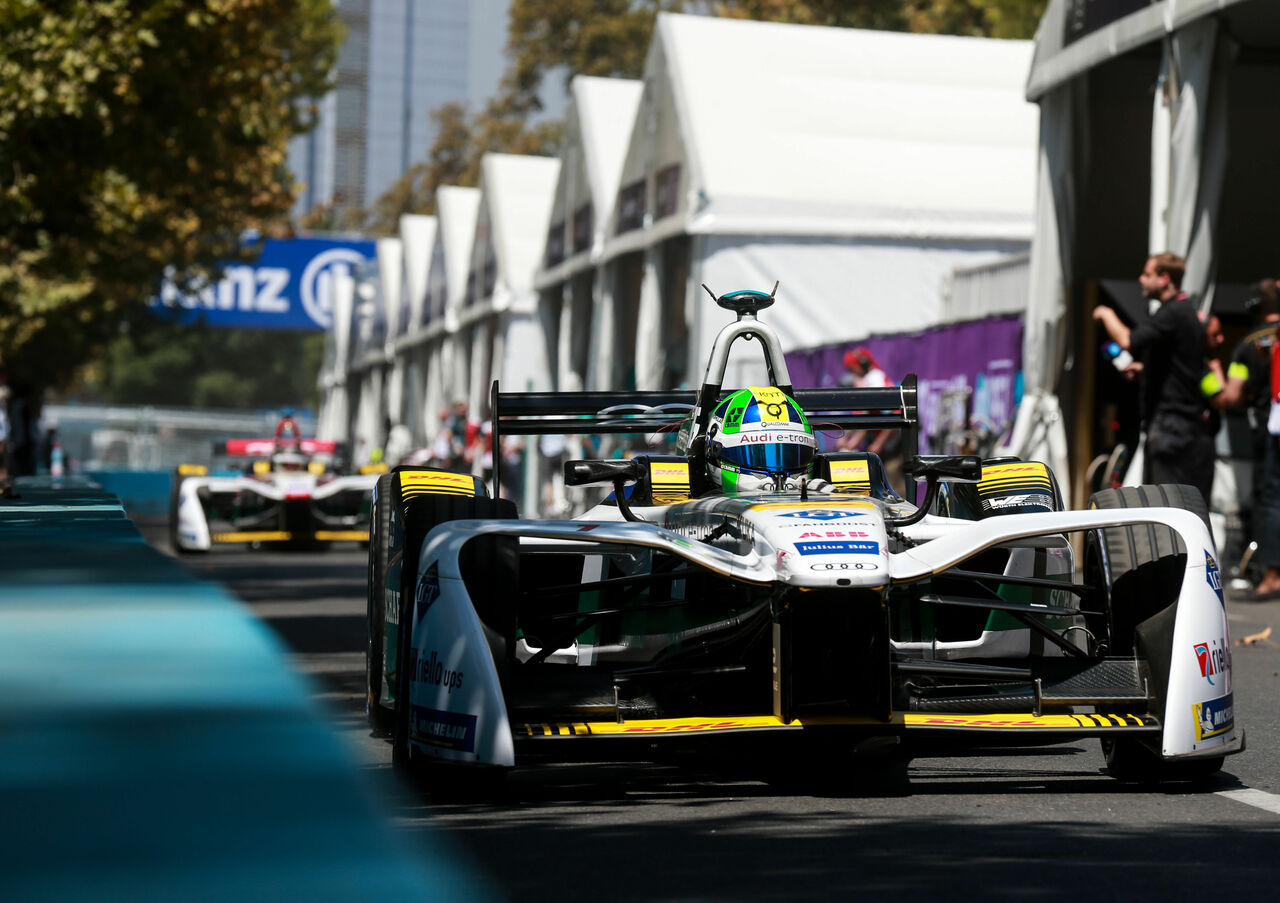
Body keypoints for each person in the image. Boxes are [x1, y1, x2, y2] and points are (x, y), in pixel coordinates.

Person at [1093, 252, 1216, 502]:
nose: (1141, 279)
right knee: (1164, 501)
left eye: (1147, 274)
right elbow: (1179, 366)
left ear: (1164, 278)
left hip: (1172, 426)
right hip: (1176, 426)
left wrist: (1106, 313)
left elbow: (1127, 340)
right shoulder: (1182, 311)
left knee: (1166, 504)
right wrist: (1144, 370)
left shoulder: (1174, 313)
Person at [1208, 280, 1280, 599]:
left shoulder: (1247, 344)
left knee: (1269, 499)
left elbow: (1232, 395)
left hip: (1269, 430)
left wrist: (1213, 370)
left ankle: (1270, 573)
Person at [705, 386, 817, 493]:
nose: (779, 479)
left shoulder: (820, 493)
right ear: (714, 450)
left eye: (790, 457)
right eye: (757, 457)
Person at [837, 347, 892, 456]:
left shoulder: (875, 380)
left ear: (862, 364)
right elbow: (860, 416)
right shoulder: (870, 378)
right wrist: (845, 437)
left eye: (852, 369)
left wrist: (878, 443)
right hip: (884, 444)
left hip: (893, 445)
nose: (852, 374)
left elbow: (894, 415)